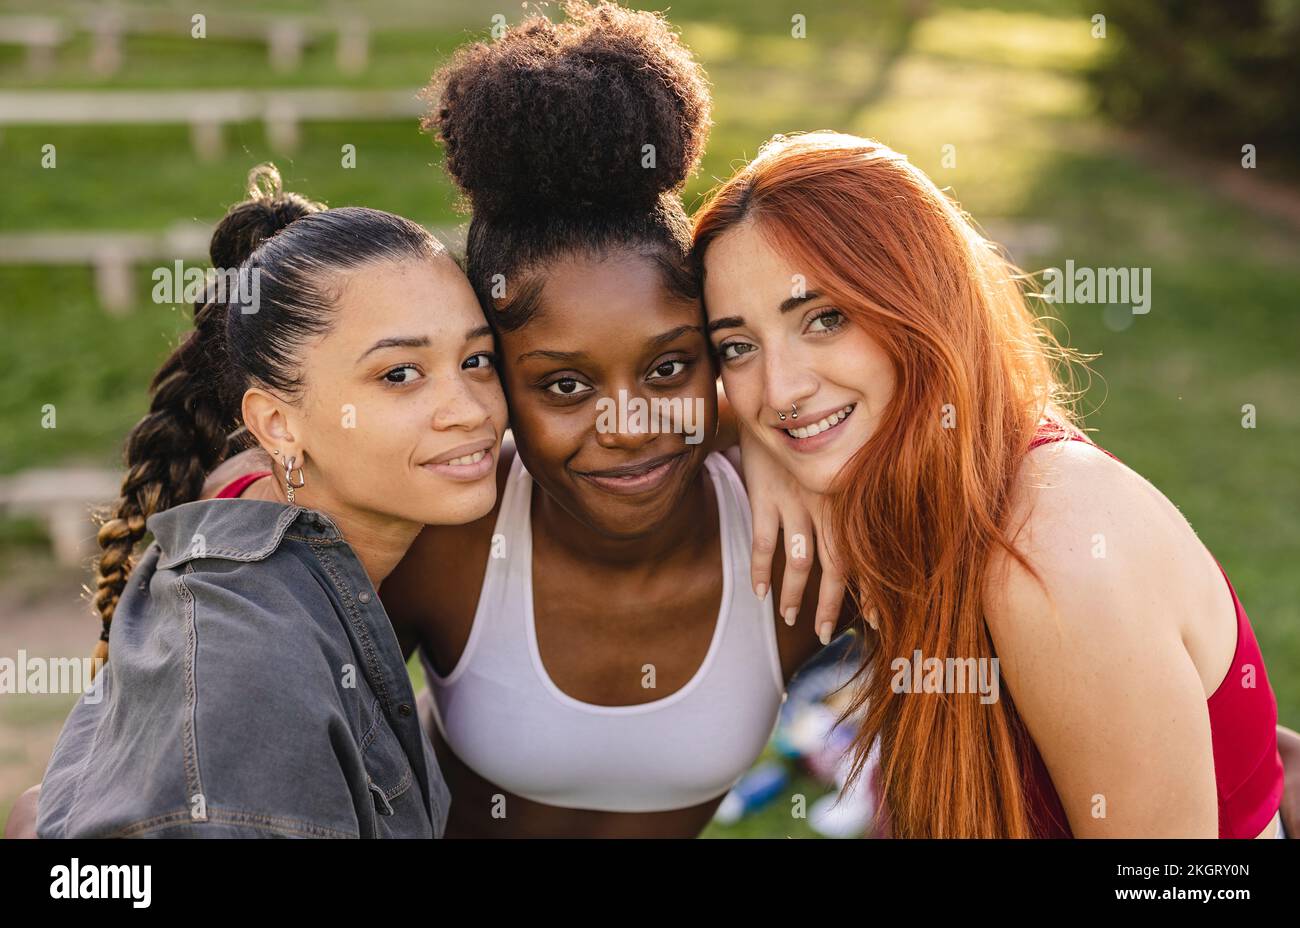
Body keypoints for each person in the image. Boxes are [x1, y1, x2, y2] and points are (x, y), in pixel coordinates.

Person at [693, 131, 1287, 838]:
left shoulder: (1050, 556)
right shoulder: (925, 478)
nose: (782, 390)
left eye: (825, 319)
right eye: (738, 346)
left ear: (922, 304)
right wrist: (755, 443)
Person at [33, 165, 507, 837]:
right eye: (399, 374)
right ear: (277, 423)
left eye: (477, 361)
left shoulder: (258, 494)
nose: (468, 411)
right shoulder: (254, 674)